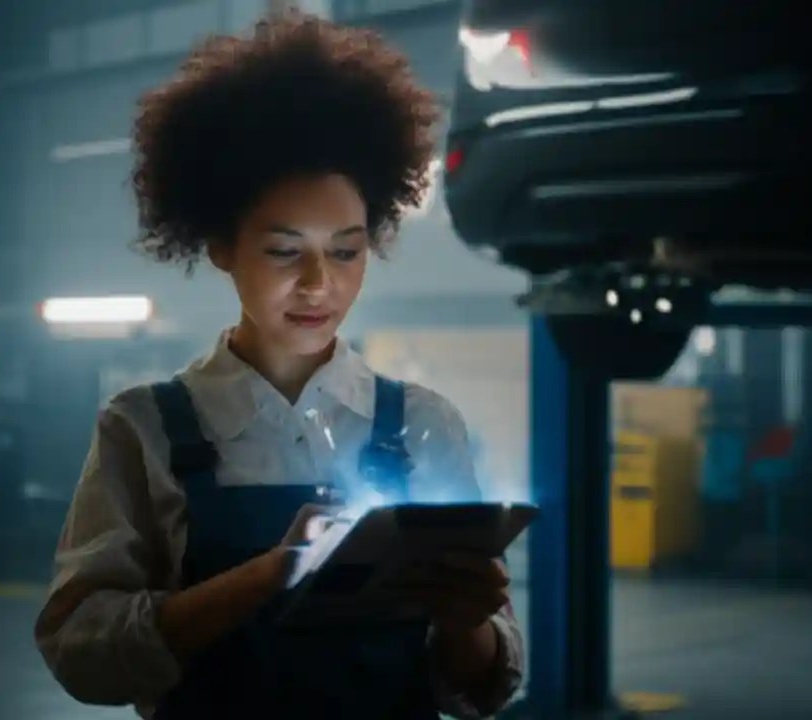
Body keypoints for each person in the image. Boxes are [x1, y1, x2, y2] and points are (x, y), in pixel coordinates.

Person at [33, 12, 523, 719]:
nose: (320, 284)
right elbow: (82, 654)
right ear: (220, 246)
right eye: (284, 251)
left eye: (346, 251)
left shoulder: (424, 424)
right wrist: (267, 577)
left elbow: (481, 689)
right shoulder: (143, 430)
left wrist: (465, 620)